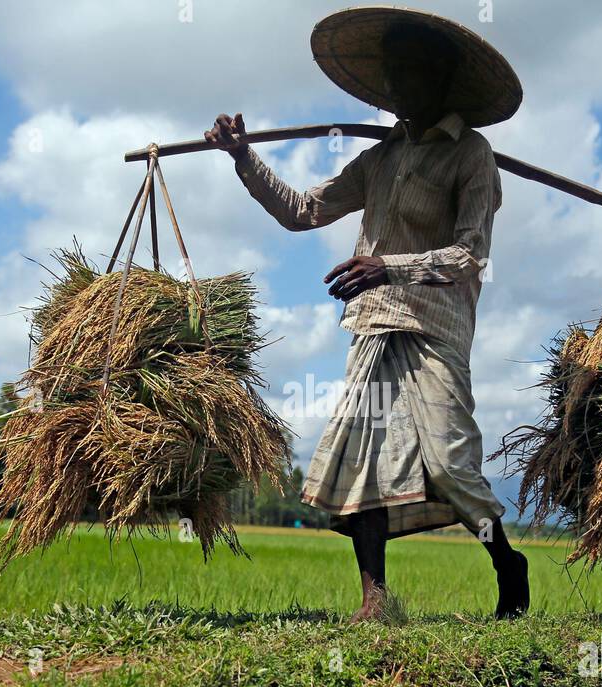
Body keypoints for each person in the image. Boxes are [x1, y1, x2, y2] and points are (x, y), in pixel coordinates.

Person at [205, 8, 529, 620]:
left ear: (439, 81)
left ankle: (507, 563)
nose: (400, 86)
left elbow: (469, 254)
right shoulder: (381, 158)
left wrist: (391, 265)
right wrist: (242, 158)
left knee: (450, 462)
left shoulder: (471, 156)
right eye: (393, 74)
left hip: (435, 327)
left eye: (411, 73)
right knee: (364, 461)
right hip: (373, 324)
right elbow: (303, 210)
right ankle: (374, 598)